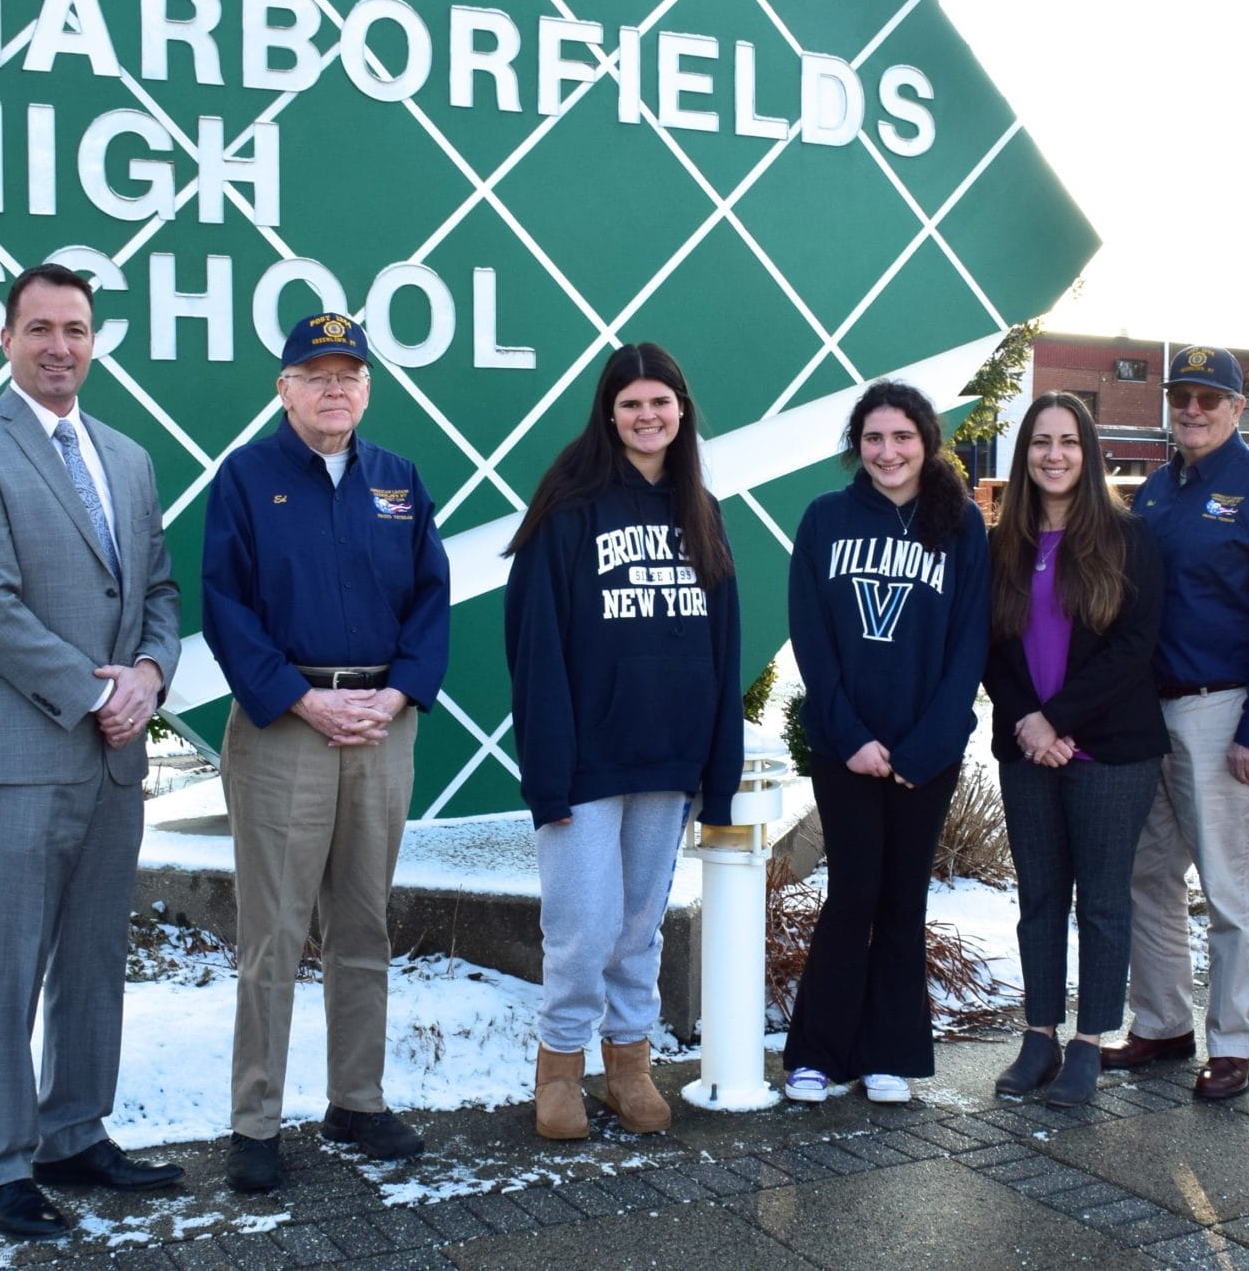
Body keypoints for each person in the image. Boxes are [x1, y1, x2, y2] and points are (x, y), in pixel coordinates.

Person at [0, 263, 184, 1241]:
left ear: (94, 338)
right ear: (6, 340)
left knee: (90, 956)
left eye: (75, 328)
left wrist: (149, 674)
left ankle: (73, 1128)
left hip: (111, 751)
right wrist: (92, 690)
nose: (59, 345)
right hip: (22, 748)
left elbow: (155, 588)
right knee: (7, 963)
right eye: (40, 328)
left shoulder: (126, 456)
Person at [201, 312, 450, 1191]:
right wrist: (302, 698)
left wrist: (395, 692)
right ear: (286, 389)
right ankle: (255, 1122)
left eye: (348, 374)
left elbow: (430, 598)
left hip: (380, 723)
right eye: (316, 374)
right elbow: (224, 606)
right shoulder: (247, 478)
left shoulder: (398, 481)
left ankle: (357, 1099)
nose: (333, 387)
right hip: (285, 725)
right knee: (273, 930)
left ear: (367, 388)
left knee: (363, 923)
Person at [503, 342, 743, 1141]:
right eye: (632, 402)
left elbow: (723, 647)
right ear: (609, 413)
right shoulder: (569, 508)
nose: (648, 416)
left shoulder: (700, 512)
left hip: (668, 760)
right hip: (584, 762)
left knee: (638, 923)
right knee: (583, 923)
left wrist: (719, 767)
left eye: (661, 402)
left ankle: (629, 1066)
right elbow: (534, 647)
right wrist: (547, 772)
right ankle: (560, 1067)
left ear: (682, 412)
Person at [1110, 345, 1249, 1100]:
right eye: (1181, 397)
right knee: (1147, 875)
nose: (1191, 410)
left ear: (1237, 407)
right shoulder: (1158, 491)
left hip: (1224, 711)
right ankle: (1162, 1022)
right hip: (1149, 714)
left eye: (1208, 398)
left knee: (1229, 892)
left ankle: (1231, 1043)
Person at [781, 380, 989, 1105]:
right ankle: (816, 1054)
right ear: (856, 445)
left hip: (924, 754)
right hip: (848, 750)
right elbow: (812, 639)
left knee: (902, 901)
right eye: (874, 437)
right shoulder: (825, 520)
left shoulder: (960, 525)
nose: (888, 450)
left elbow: (969, 646)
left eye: (902, 436)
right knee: (851, 895)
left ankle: (889, 1054)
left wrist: (926, 745)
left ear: (926, 442)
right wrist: (850, 737)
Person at [982, 394, 1168, 1108]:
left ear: (1089, 455)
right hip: (1027, 749)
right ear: (1023, 454)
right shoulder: (1003, 544)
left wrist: (1056, 719)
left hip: (1112, 751)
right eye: (1039, 442)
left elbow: (1133, 647)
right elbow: (990, 647)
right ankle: (1039, 1037)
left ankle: (1089, 1042)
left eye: (1067, 442)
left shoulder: (1129, 539)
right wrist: (1029, 722)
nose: (1052, 455)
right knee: (1038, 898)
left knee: (1102, 902)